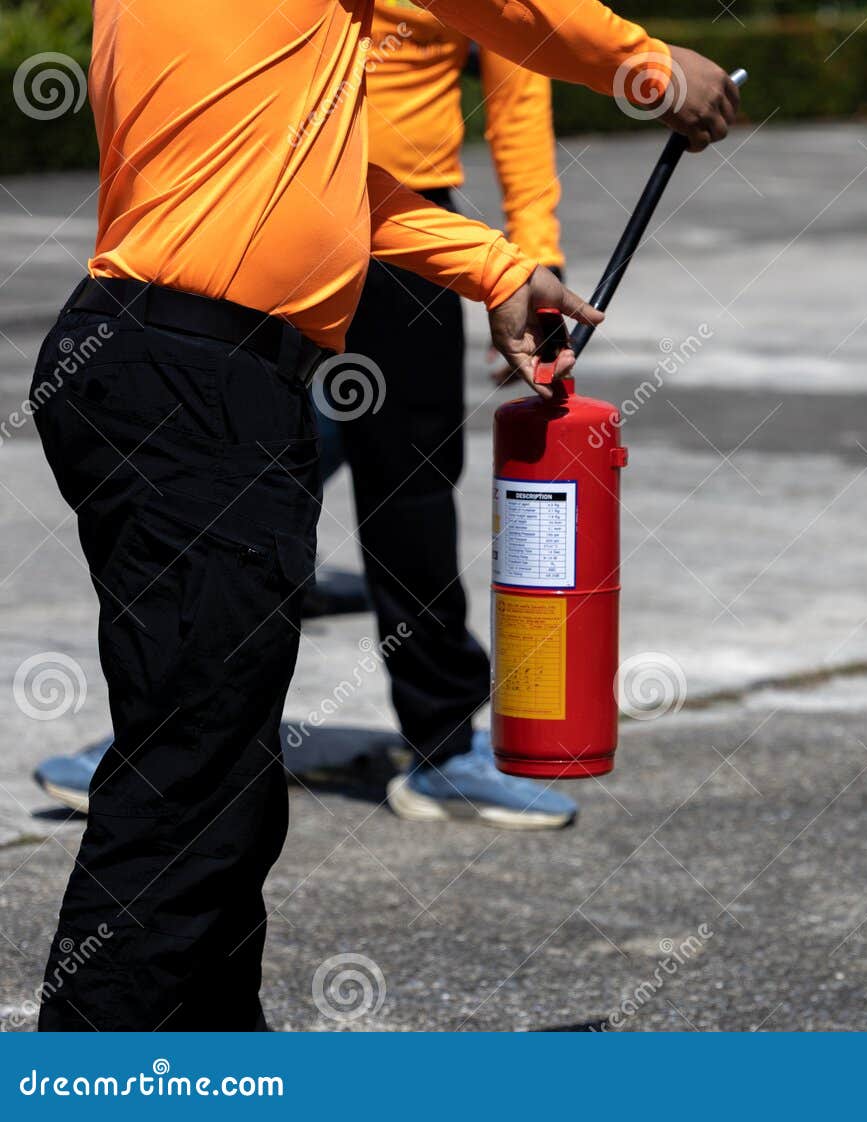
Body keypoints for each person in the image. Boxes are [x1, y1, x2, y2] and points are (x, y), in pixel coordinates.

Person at [30, 0, 738, 1031]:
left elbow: (314, 174)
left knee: (224, 780)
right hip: (197, 382)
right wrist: (648, 68)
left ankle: (222, 1062)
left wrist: (494, 267)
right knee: (190, 784)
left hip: (163, 369)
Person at [34, 0, 583, 831]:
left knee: (411, 487)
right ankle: (158, 745)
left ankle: (444, 748)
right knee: (212, 490)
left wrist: (529, 257)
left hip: (412, 226)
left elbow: (519, 91)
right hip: (265, 209)